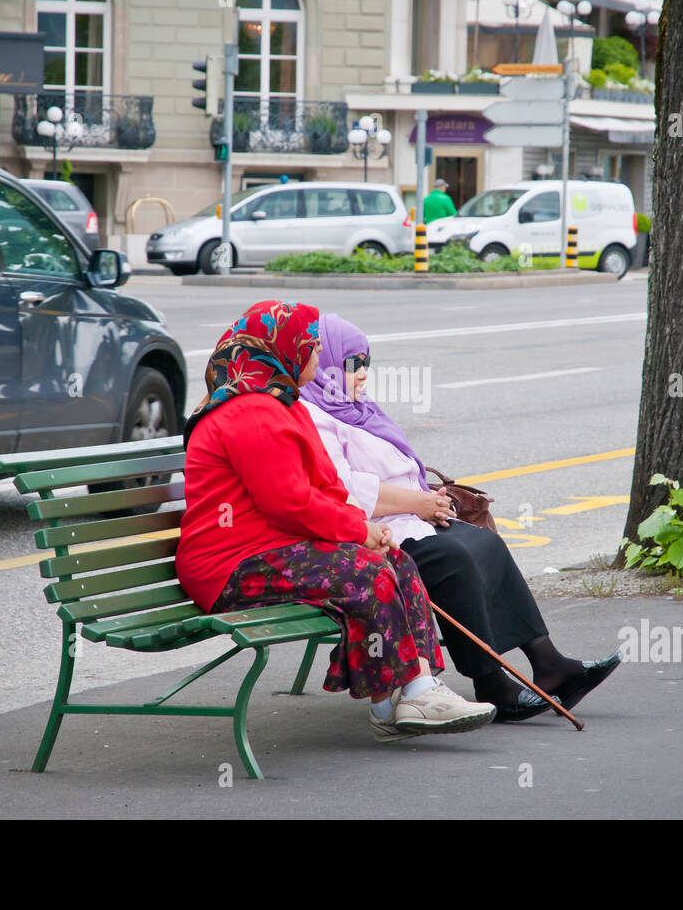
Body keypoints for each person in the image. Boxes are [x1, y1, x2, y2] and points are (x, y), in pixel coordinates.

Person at [175, 299, 496, 743]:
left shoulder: (283, 405)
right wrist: (357, 531)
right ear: (282, 349)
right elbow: (289, 502)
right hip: (229, 565)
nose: (315, 356)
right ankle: (406, 697)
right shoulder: (249, 413)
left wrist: (368, 531)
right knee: (366, 575)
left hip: (274, 549)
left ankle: (403, 701)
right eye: (309, 347)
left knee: (397, 562)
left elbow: (327, 487)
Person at [299, 313, 622, 722]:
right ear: (325, 364)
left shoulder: (356, 408)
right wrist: (417, 503)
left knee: (483, 543)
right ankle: (492, 683)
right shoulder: (314, 417)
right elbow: (345, 491)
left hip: (410, 518)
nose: (362, 373)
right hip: (373, 532)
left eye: (366, 362)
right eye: (351, 364)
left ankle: (549, 663)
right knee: (455, 560)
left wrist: (426, 499)